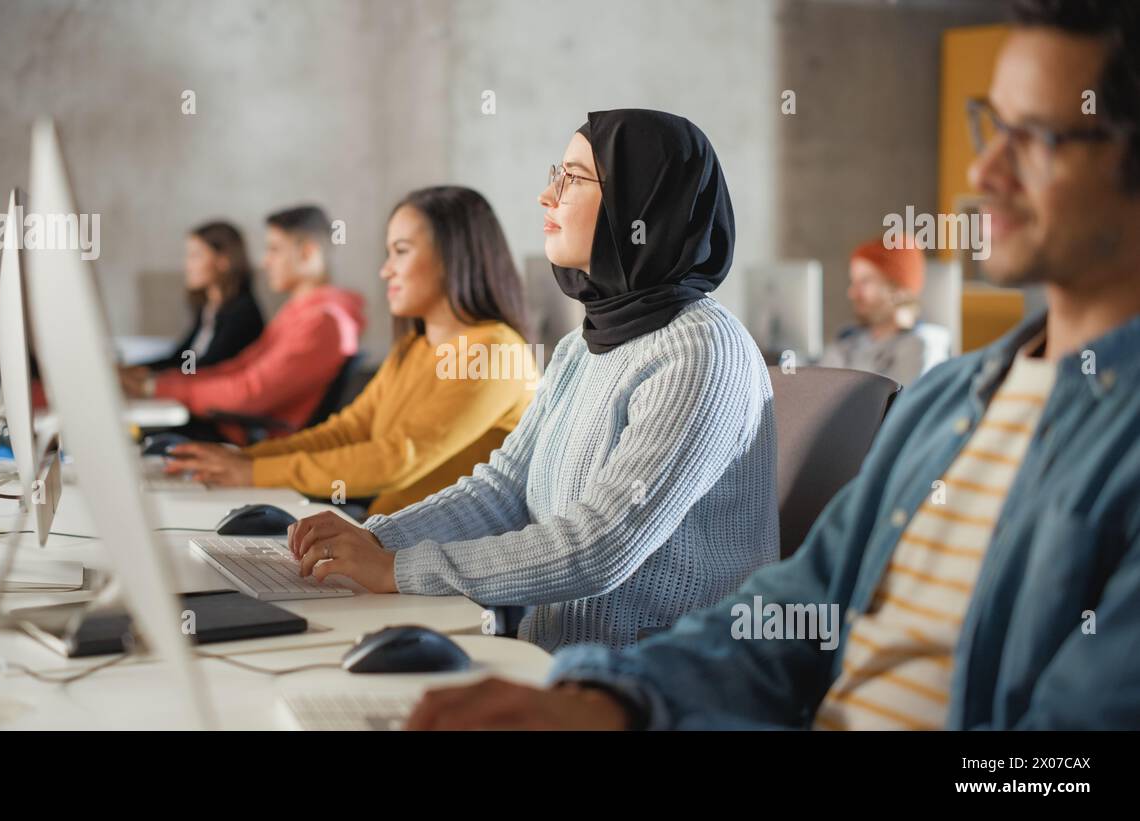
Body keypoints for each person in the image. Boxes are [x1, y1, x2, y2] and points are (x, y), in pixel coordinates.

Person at [405, 0, 1140, 730]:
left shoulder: (1117, 435)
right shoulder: (949, 403)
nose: (985, 167)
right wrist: (607, 703)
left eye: (1038, 136)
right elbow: (791, 613)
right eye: (992, 127)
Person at [278, 110, 779, 652]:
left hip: (655, 683)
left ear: (642, 202)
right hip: (555, 663)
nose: (547, 196)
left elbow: (602, 546)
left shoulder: (702, 350)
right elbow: (502, 492)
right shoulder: (581, 346)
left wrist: (397, 569)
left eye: (574, 179)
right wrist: (372, 540)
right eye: (554, 174)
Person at [167, 186, 536, 516]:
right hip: (387, 533)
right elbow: (350, 431)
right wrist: (246, 459)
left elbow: (397, 457)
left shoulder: (494, 351)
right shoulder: (416, 345)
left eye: (400, 252)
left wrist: (254, 473)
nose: (385, 270)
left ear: (455, 257)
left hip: (439, 558)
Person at [124, 206, 366, 437]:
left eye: (274, 249)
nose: (264, 261)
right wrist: (159, 383)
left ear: (306, 252)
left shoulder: (323, 322)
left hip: (253, 443)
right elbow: (239, 369)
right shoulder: (299, 312)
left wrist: (156, 388)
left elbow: (248, 393)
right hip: (236, 429)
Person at [134, 221, 263, 372]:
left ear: (223, 260)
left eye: (195, 256)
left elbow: (207, 368)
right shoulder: (209, 308)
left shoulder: (242, 313)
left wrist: (152, 379)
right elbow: (182, 358)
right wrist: (135, 369)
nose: (187, 265)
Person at [818, 239, 950, 386]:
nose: (852, 293)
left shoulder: (920, 346)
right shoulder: (847, 341)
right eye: (853, 282)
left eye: (865, 282)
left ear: (899, 291)